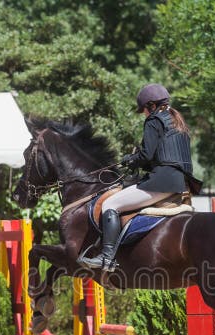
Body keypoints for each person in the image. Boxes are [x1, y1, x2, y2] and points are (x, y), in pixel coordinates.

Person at [79, 83, 201, 272]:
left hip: (163, 182)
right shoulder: (178, 122)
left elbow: (146, 155)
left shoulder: (154, 120)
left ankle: (107, 258)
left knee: (110, 205)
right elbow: (163, 157)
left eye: (144, 110)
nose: (144, 114)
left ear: (151, 106)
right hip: (181, 182)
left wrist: (131, 160)